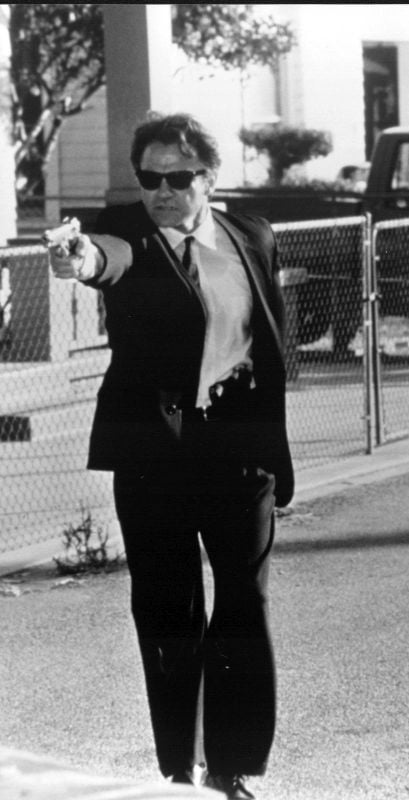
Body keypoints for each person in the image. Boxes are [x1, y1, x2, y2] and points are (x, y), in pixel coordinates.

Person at [45, 112, 294, 800]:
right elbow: (102, 256)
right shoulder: (127, 230)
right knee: (167, 609)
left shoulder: (252, 234)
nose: (161, 191)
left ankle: (233, 767)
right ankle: (179, 771)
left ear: (209, 179)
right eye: (149, 178)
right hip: (154, 450)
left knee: (244, 603)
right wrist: (80, 259)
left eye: (177, 178)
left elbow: (272, 338)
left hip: (240, 445)